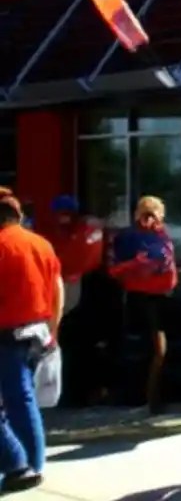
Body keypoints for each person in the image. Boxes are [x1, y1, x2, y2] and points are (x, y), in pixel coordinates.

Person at [0, 187, 62, 493]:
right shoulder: (42, 244)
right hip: (37, 330)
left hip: (6, 331)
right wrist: (53, 329)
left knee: (17, 399)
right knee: (23, 400)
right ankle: (31, 465)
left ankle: (18, 463)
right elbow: (57, 289)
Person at [106, 196, 178, 413]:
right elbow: (113, 269)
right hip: (140, 298)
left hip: (162, 296)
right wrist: (136, 264)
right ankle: (146, 398)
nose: (150, 220)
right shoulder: (128, 237)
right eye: (146, 215)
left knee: (158, 350)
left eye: (154, 215)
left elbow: (169, 262)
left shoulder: (162, 235)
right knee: (153, 349)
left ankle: (153, 398)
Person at [47, 196, 103, 316]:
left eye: (67, 212)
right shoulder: (53, 231)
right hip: (64, 278)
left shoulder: (87, 228)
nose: (63, 217)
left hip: (84, 278)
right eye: (59, 213)